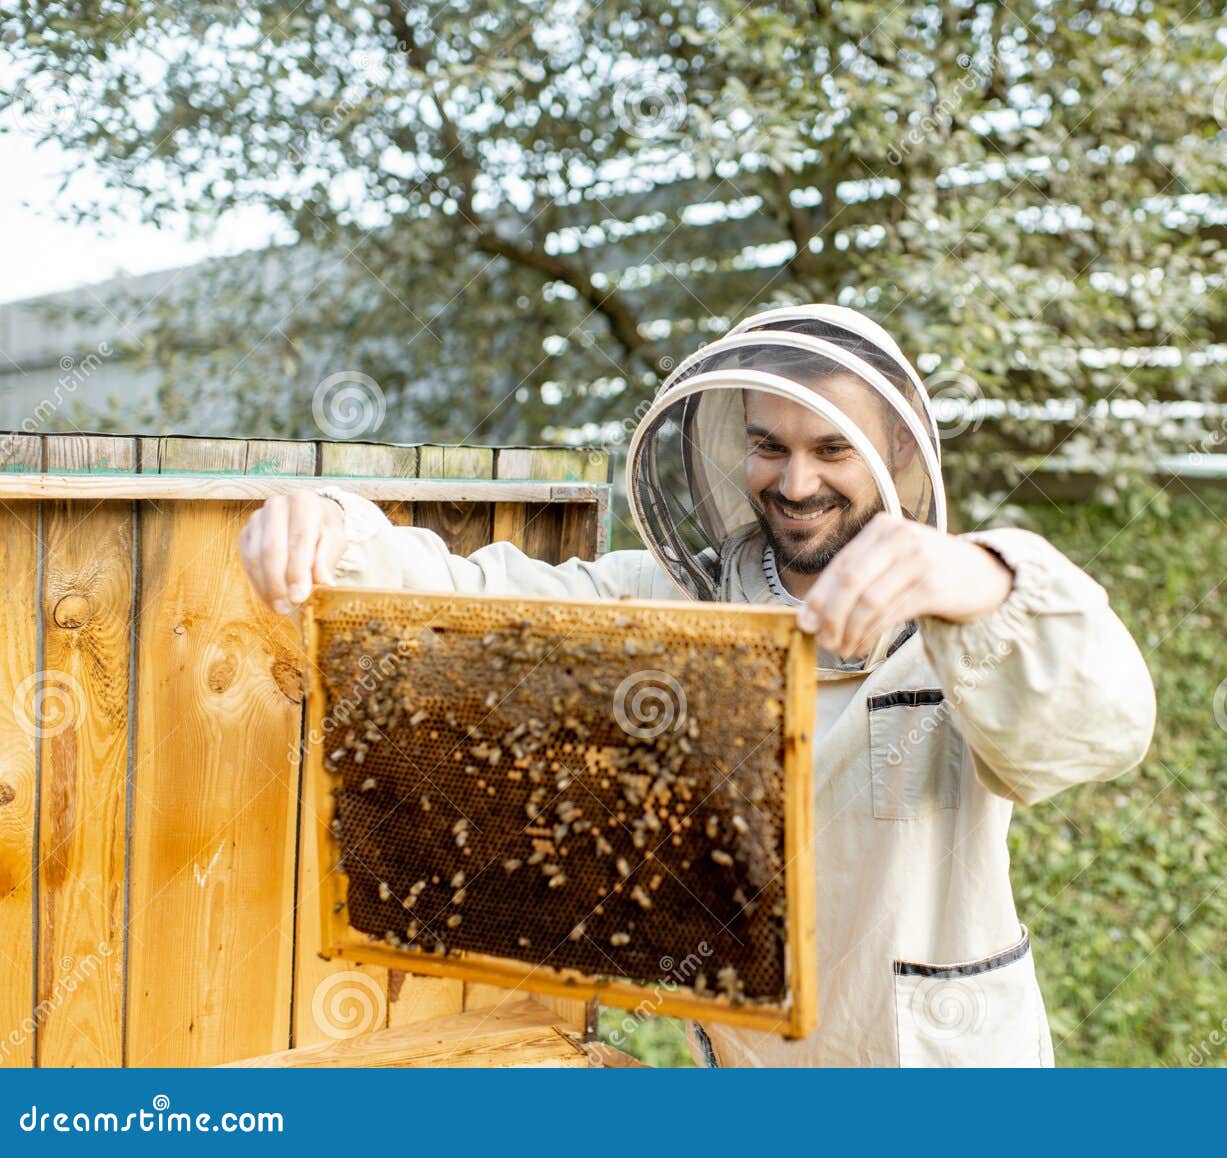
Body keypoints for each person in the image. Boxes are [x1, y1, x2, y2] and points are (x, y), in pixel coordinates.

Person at [239, 303, 1157, 1066]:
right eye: (769, 445)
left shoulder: (968, 619)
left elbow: (1105, 726)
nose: (796, 483)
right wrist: (329, 528)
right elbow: (479, 597)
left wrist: (985, 583)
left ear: (902, 459)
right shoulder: (667, 602)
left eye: (833, 450)